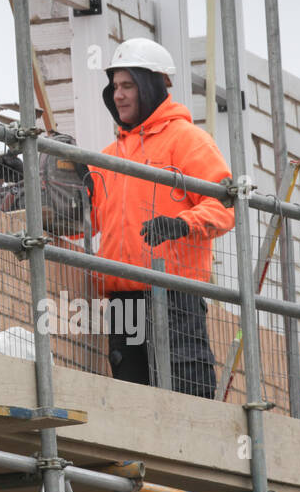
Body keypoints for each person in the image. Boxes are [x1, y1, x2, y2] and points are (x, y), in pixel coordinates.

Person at [90, 37, 233, 399]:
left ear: (151, 86)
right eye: (114, 86)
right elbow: (79, 219)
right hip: (123, 298)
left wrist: (182, 224)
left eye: (127, 85)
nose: (118, 95)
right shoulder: (107, 157)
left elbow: (225, 206)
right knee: (132, 397)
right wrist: (30, 185)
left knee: (185, 390)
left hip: (174, 293)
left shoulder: (187, 141)